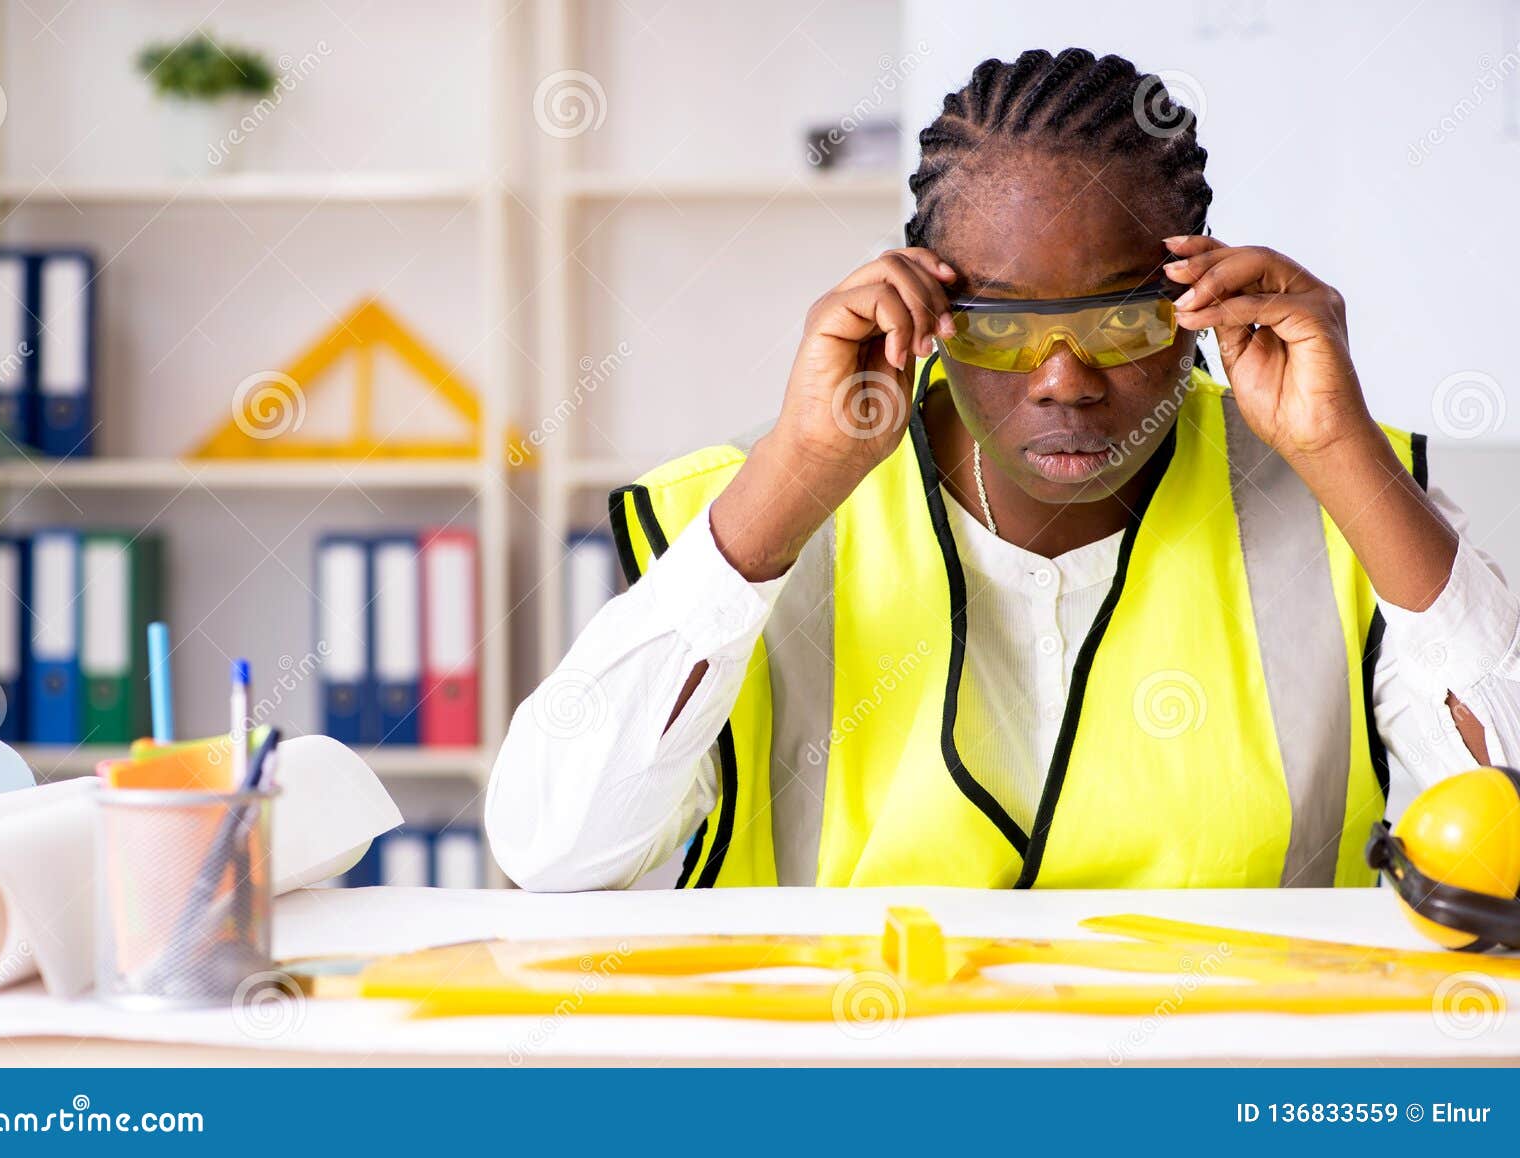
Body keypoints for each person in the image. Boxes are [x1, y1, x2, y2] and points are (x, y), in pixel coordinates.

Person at [487, 47, 1520, 892]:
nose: (1062, 379)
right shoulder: (756, 507)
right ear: (924, 317)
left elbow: (1501, 856)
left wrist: (1342, 457)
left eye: (1120, 318)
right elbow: (552, 852)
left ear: (1197, 304)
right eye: (999, 325)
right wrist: (794, 473)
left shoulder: (1350, 500)